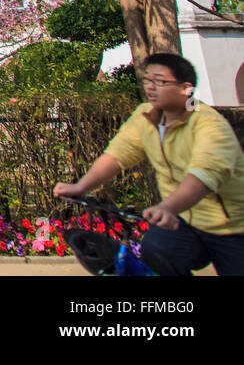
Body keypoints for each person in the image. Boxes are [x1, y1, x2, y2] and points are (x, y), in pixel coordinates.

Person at [53, 53, 244, 276]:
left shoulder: (209, 125)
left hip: (234, 225)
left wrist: (167, 207)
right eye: (147, 80)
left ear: (186, 89)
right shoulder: (145, 116)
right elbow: (117, 155)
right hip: (184, 220)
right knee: (156, 251)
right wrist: (81, 186)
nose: (151, 87)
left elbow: (204, 176)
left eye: (161, 81)